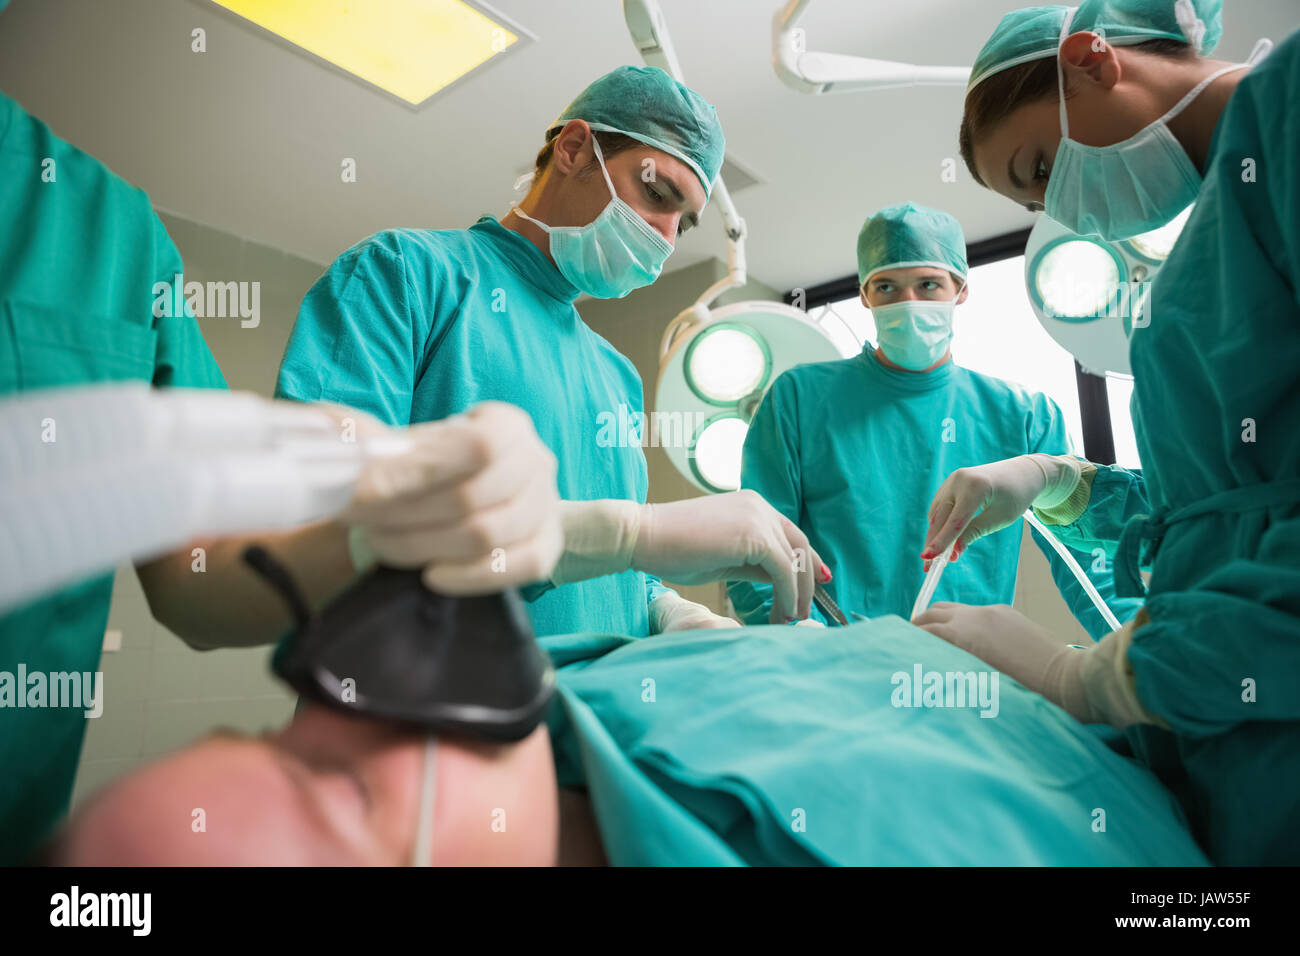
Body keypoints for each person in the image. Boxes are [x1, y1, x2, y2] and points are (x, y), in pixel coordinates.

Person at [915, 0, 1300, 864]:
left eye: (1043, 166)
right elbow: (1219, 511)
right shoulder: (1209, 237)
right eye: (1036, 200)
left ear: (1092, 60)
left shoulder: (1290, 110)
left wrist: (1089, 677)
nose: (1066, 209)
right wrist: (1060, 484)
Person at [275, 65, 826, 638]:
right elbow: (323, 529)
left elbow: (611, 569)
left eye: (683, 224)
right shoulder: (405, 276)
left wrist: (670, 614)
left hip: (584, 718)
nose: (665, 235)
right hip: (421, 716)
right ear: (572, 148)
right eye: (657, 192)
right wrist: (628, 534)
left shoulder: (617, 376)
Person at [728, 202, 1133, 633]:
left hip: (968, 670)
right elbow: (755, 545)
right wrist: (796, 639)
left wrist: (1140, 643)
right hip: (835, 666)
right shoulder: (799, 399)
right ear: (864, 294)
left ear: (961, 289)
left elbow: (1087, 561)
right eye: (886, 287)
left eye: (928, 284)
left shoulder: (1026, 416)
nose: (908, 302)